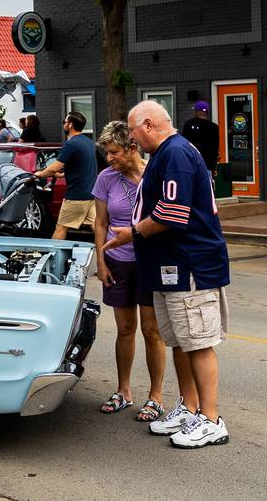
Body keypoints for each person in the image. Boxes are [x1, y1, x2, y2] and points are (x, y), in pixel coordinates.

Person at [104, 100, 231, 449]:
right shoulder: (164, 153)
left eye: (132, 129)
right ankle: (191, 408)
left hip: (191, 265)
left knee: (199, 343)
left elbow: (172, 213)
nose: (130, 137)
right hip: (168, 266)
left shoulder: (175, 153)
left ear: (147, 124)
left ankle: (211, 419)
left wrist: (131, 233)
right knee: (179, 340)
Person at [92, 121, 166, 421]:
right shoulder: (106, 178)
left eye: (114, 152)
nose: (109, 158)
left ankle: (156, 396)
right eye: (107, 153)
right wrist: (101, 259)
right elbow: (99, 223)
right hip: (118, 260)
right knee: (125, 329)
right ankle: (124, 390)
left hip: (149, 261)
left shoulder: (155, 174)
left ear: (132, 148)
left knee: (152, 331)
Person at [34, 111, 97, 239]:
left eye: (65, 122)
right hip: (91, 194)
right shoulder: (88, 142)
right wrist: (62, 175)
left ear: (70, 125)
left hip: (76, 196)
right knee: (97, 226)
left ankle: (53, 257)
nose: (63, 124)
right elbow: (82, 166)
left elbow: (53, 168)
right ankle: (112, 252)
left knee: (61, 227)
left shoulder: (71, 144)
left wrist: (40, 174)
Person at [180, 101, 219, 173]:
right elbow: (215, 148)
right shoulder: (214, 127)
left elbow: (184, 144)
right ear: (207, 112)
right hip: (207, 164)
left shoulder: (188, 125)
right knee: (205, 184)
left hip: (191, 163)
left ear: (196, 111)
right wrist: (214, 166)